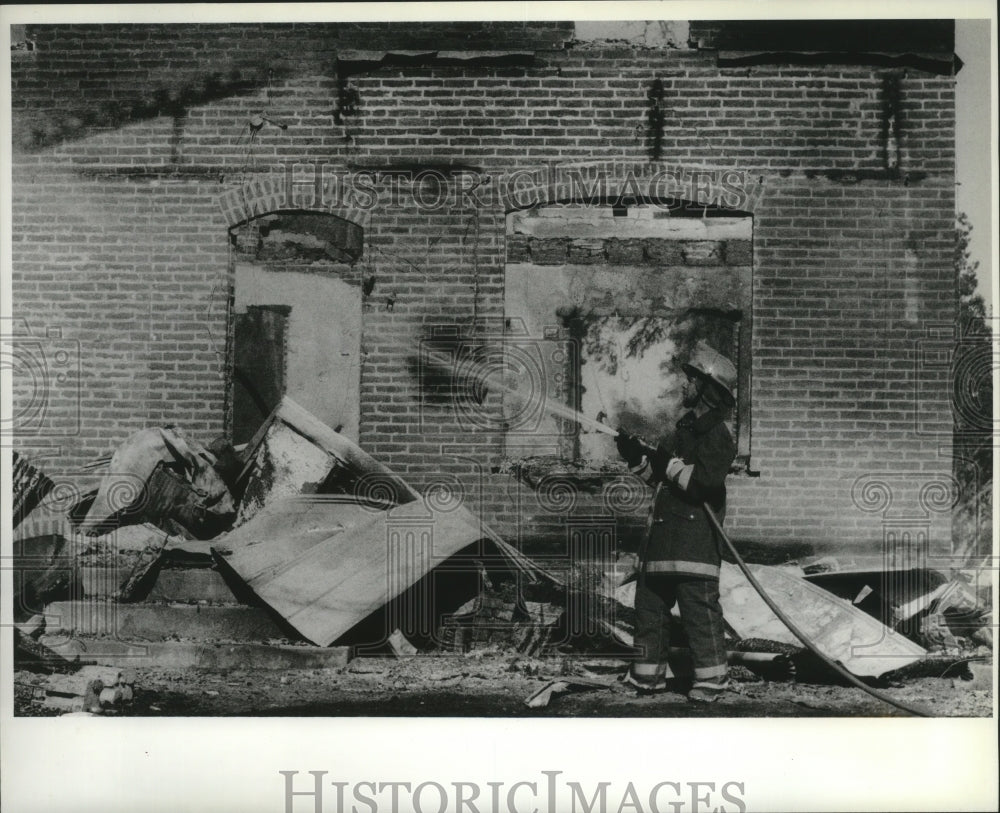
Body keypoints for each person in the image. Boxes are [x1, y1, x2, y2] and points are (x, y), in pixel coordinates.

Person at [615, 340, 738, 702]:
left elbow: (701, 484)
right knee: (648, 610)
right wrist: (635, 457)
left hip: (694, 544)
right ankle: (646, 680)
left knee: (699, 614)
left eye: (690, 379)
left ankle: (712, 682)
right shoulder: (684, 430)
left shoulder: (718, 434)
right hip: (662, 542)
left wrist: (667, 462)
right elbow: (663, 479)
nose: (683, 385)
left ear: (705, 388)